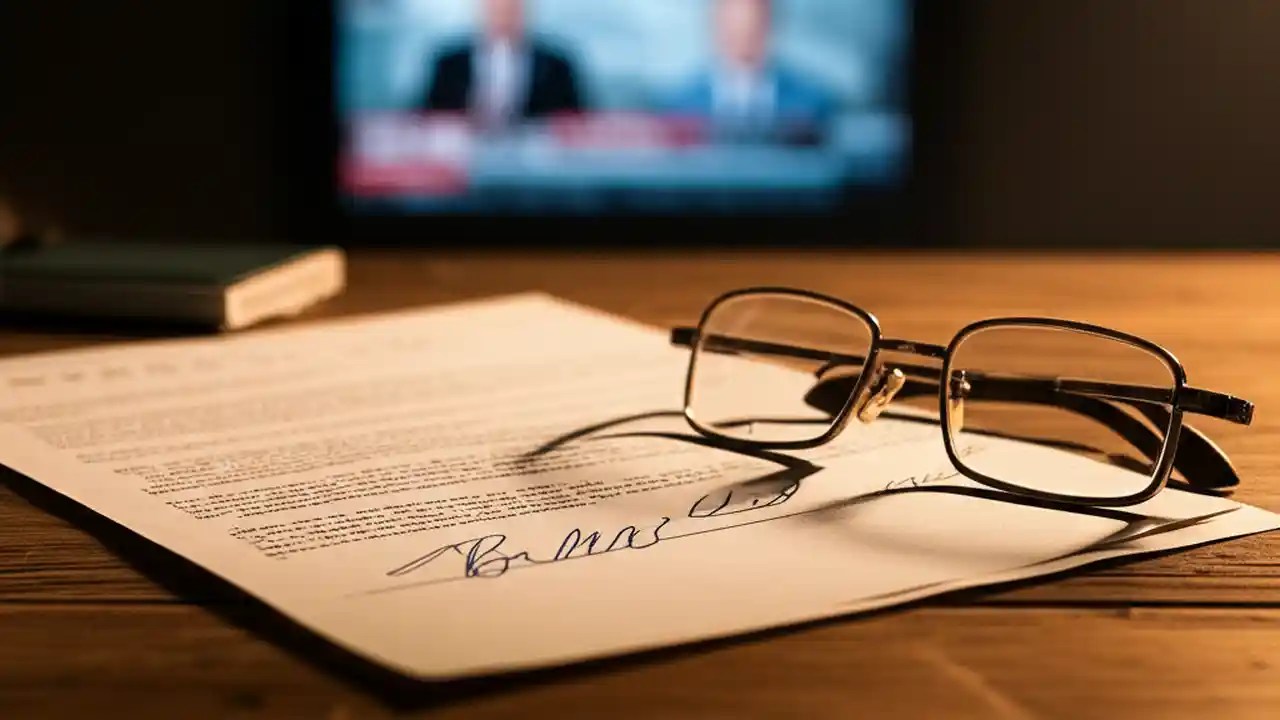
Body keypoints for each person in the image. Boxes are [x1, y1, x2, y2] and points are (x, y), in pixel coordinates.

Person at [665, 0, 834, 144]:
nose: (743, 42)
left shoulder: (812, 105)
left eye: (753, 29)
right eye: (733, 30)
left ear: (771, 27)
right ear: (714, 28)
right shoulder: (678, 106)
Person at [421, 0, 583, 130]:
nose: (504, 16)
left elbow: (576, 118)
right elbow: (427, 115)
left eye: (511, 10)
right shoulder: (450, 61)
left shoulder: (556, 63)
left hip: (539, 155)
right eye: (497, 9)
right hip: (463, 150)